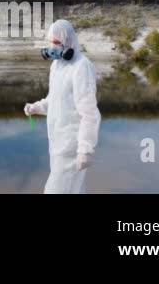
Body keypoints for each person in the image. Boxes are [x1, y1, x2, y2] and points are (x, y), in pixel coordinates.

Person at [24, 19, 101, 194]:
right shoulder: (56, 65)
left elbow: (89, 113)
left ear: (69, 42)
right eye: (50, 41)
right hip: (57, 143)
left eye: (57, 42)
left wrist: (85, 148)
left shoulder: (81, 66)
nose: (52, 46)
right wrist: (36, 107)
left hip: (72, 146)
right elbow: (55, 101)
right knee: (74, 190)